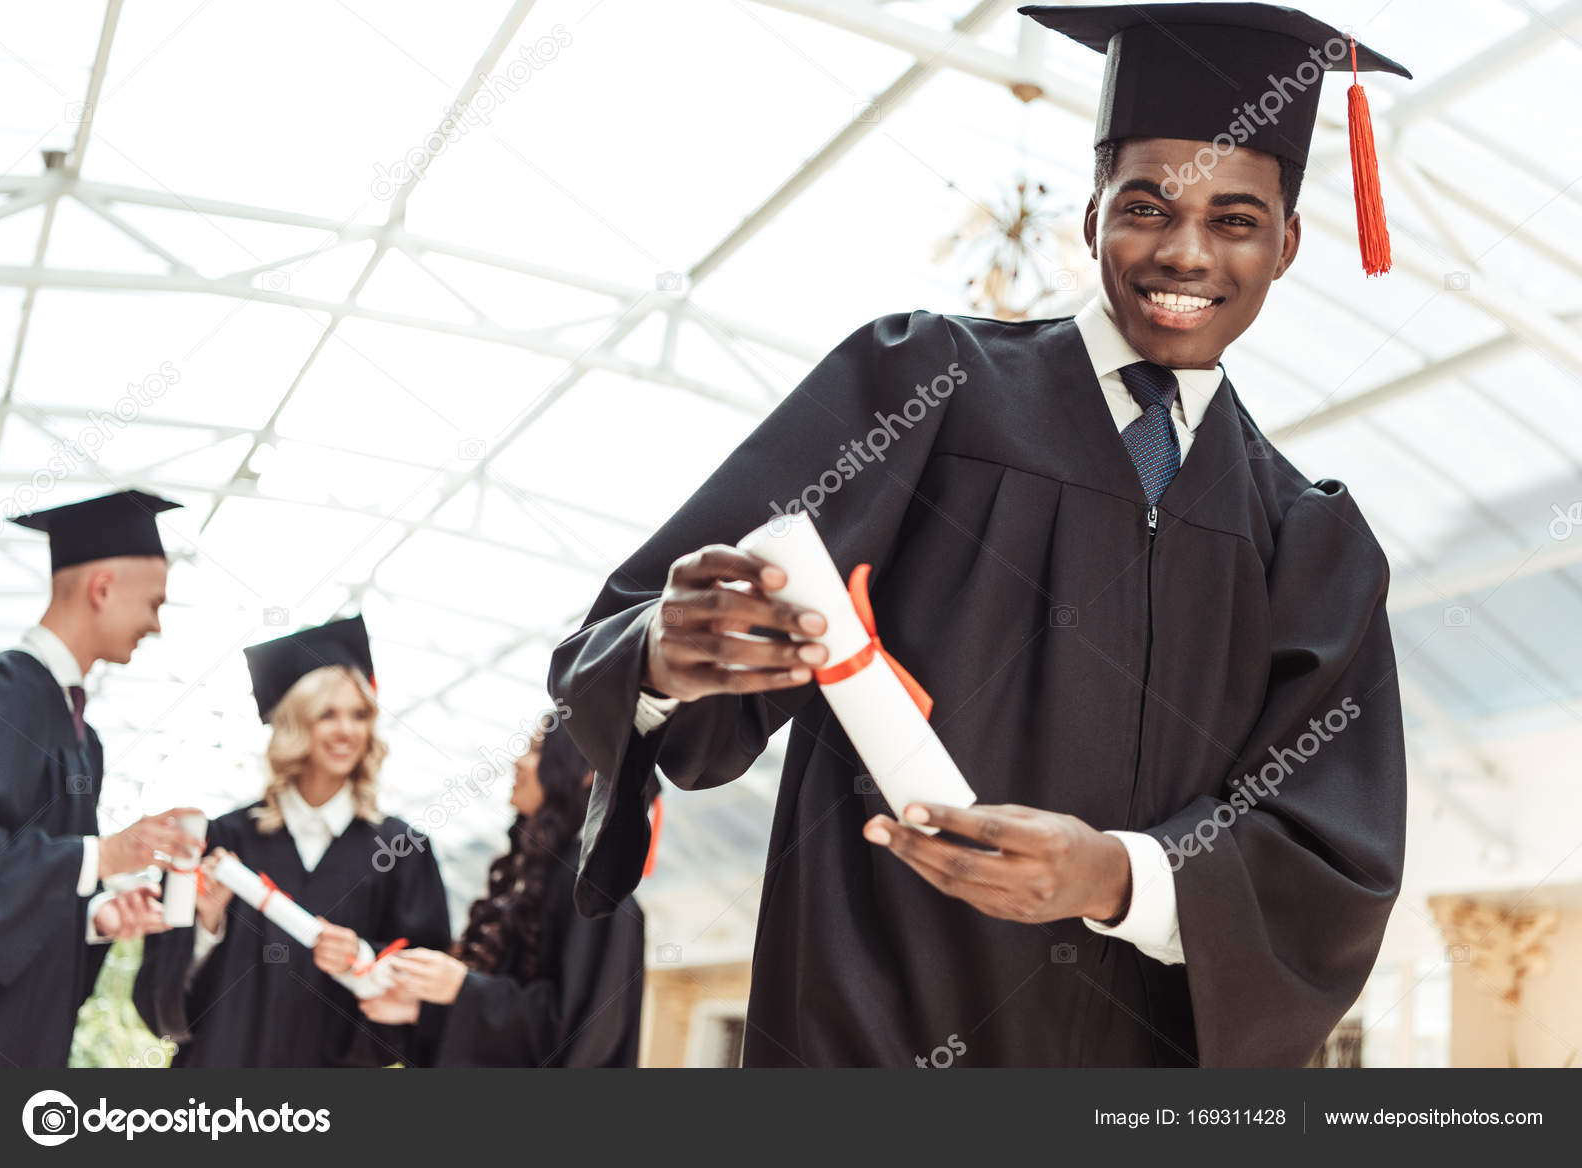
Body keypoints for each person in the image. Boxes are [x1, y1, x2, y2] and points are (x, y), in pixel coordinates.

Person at [548, 3, 1411, 1067]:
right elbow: (622, 639)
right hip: (865, 1047)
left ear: (1285, 244)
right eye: (1146, 206)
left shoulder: (1307, 541)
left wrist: (1111, 875)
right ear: (1091, 214)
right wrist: (670, 659)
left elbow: (1331, 863)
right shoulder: (919, 389)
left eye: (1235, 220)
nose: (1184, 253)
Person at [134, 615, 451, 1067]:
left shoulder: (402, 851)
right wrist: (206, 924)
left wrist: (363, 958)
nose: (347, 730)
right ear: (294, 724)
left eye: (359, 714)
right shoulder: (223, 842)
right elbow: (160, 1005)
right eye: (328, 714)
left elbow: (427, 988)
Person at [0, 489, 201, 1068]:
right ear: (102, 589)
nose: (155, 626)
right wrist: (103, 856)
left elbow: (18, 907)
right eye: (154, 603)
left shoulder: (86, 740)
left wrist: (94, 915)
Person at [359, 717, 646, 1067]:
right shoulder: (534, 877)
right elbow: (509, 1028)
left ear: (589, 772)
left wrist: (464, 988)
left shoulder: (596, 891)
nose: (518, 761)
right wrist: (424, 1011)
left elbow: (580, 1036)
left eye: (537, 749)